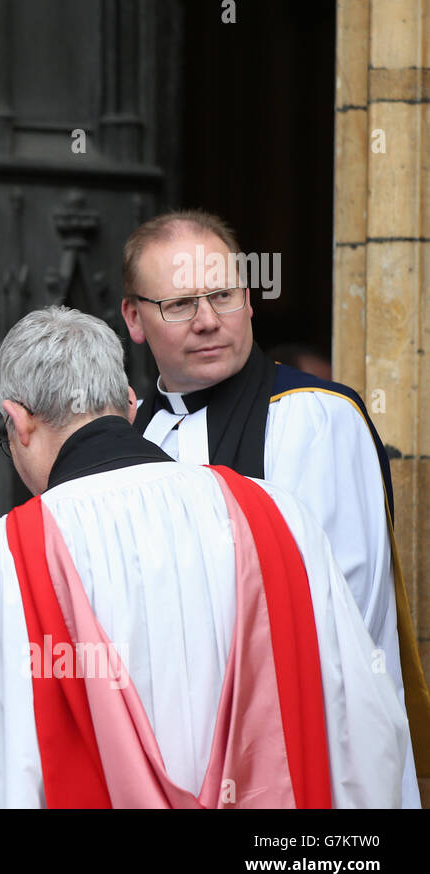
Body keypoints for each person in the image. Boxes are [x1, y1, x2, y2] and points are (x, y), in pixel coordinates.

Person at [0, 306, 409, 809]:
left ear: (17, 420)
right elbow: (365, 730)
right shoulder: (277, 516)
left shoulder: (0, 558)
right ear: (133, 406)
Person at [120, 210, 428, 808]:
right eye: (181, 304)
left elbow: (343, 617)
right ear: (135, 317)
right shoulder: (136, 440)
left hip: (310, 760)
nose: (209, 321)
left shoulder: (316, 417)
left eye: (224, 295)